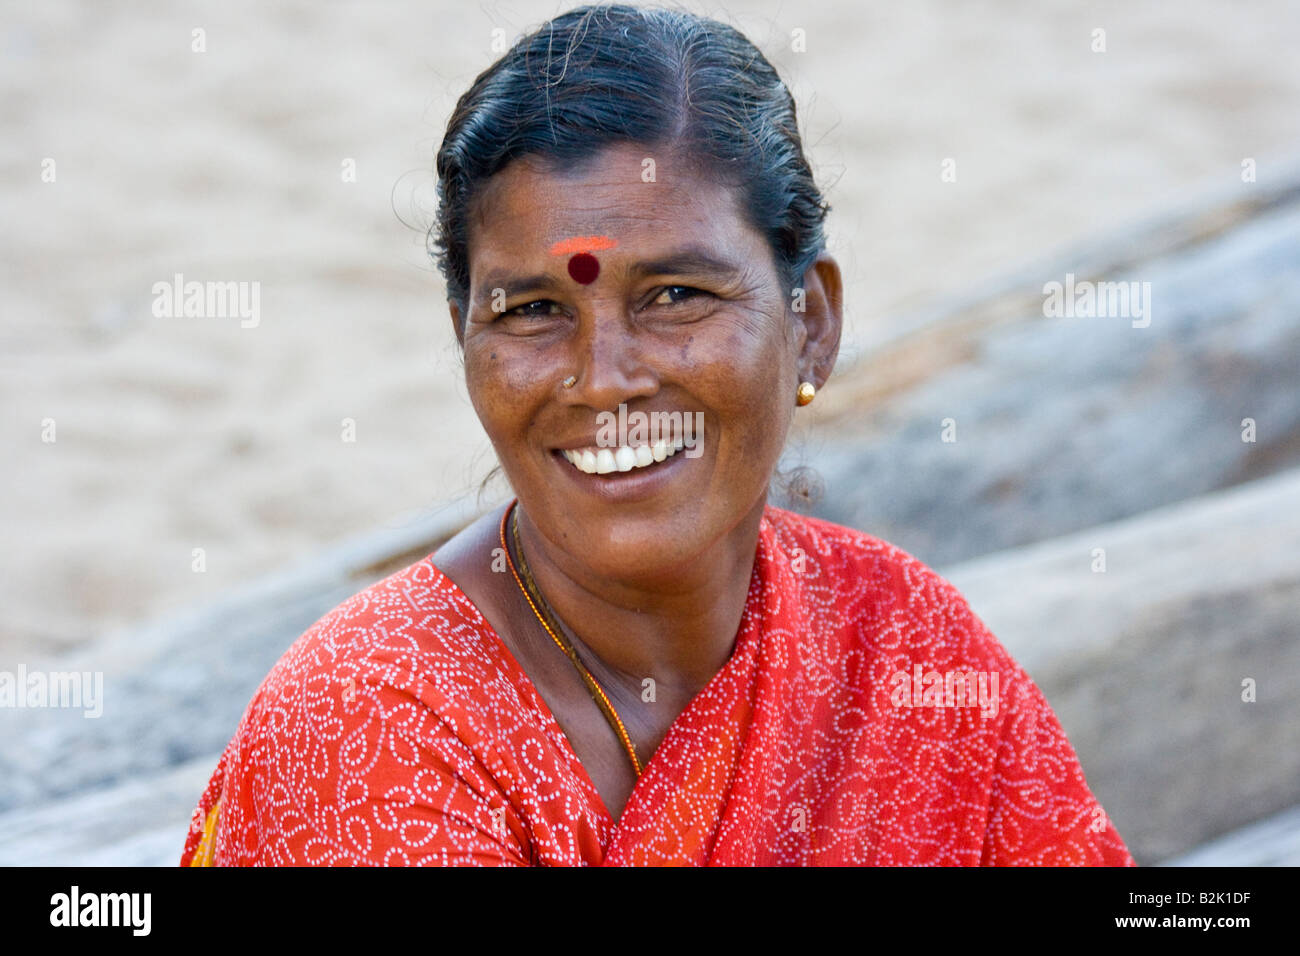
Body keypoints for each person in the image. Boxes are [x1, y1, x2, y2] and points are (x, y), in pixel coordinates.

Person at [181, 3, 1134, 866]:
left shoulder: (904, 647)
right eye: (531, 311)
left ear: (812, 322)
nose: (603, 380)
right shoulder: (374, 726)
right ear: (465, 337)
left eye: (677, 296)